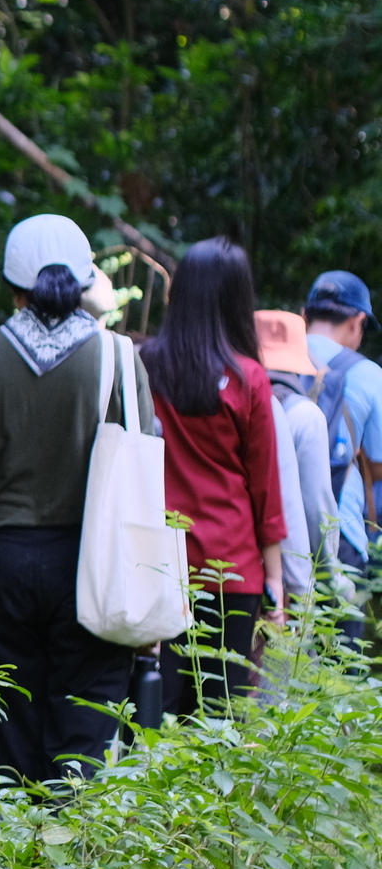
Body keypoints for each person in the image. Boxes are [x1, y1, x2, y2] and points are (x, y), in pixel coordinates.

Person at [0, 214, 153, 781]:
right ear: (87, 281)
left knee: (11, 729)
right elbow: (140, 475)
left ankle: (18, 859)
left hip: (3, 565)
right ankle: (71, 856)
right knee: (84, 730)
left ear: (13, 287)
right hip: (93, 562)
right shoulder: (118, 356)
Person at [143, 238, 286, 710]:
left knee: (156, 711)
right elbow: (264, 488)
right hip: (232, 571)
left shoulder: (147, 366)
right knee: (220, 717)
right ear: (237, 300)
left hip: (157, 565)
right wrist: (276, 584)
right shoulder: (249, 380)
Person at [303, 270, 382, 631]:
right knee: (337, 670)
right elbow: (378, 464)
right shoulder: (368, 374)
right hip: (341, 534)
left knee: (265, 669)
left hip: (270, 533)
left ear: (306, 314)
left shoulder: (267, 356)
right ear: (358, 321)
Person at [257, 311, 336, 601]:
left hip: (230, 567)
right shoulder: (305, 416)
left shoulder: (228, 400)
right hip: (287, 580)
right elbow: (316, 507)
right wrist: (330, 578)